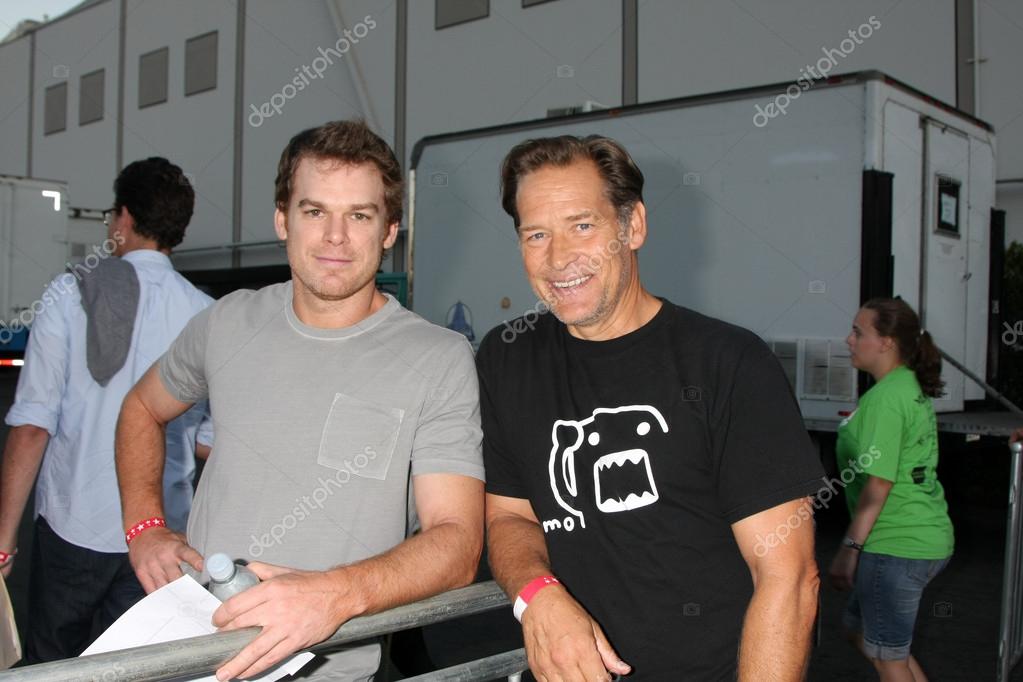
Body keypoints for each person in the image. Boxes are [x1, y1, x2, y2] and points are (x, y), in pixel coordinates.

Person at [115, 120, 484, 682]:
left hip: (335, 670)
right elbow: (141, 408)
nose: (336, 237)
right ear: (282, 220)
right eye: (315, 211)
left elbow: (457, 543)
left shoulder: (438, 358)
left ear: (390, 230)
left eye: (359, 215)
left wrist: (332, 597)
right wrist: (144, 528)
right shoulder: (227, 322)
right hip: (194, 655)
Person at [477, 134, 826, 681]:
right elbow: (509, 515)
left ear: (632, 227)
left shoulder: (728, 363)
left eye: (582, 225)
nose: (559, 257)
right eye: (536, 234)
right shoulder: (506, 357)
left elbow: (787, 575)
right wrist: (537, 595)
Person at [0, 157, 213, 662]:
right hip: (161, 535)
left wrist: (3, 540)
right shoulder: (206, 313)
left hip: (75, 528)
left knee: (52, 665)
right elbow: (209, 442)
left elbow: (32, 426)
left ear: (123, 218)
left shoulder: (71, 293)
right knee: (132, 667)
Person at [828, 298, 954, 682]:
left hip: (895, 545)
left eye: (858, 332)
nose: (849, 340)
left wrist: (850, 550)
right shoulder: (905, 386)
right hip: (921, 537)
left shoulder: (886, 398)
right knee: (863, 632)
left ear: (886, 343)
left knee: (889, 659)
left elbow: (879, 484)